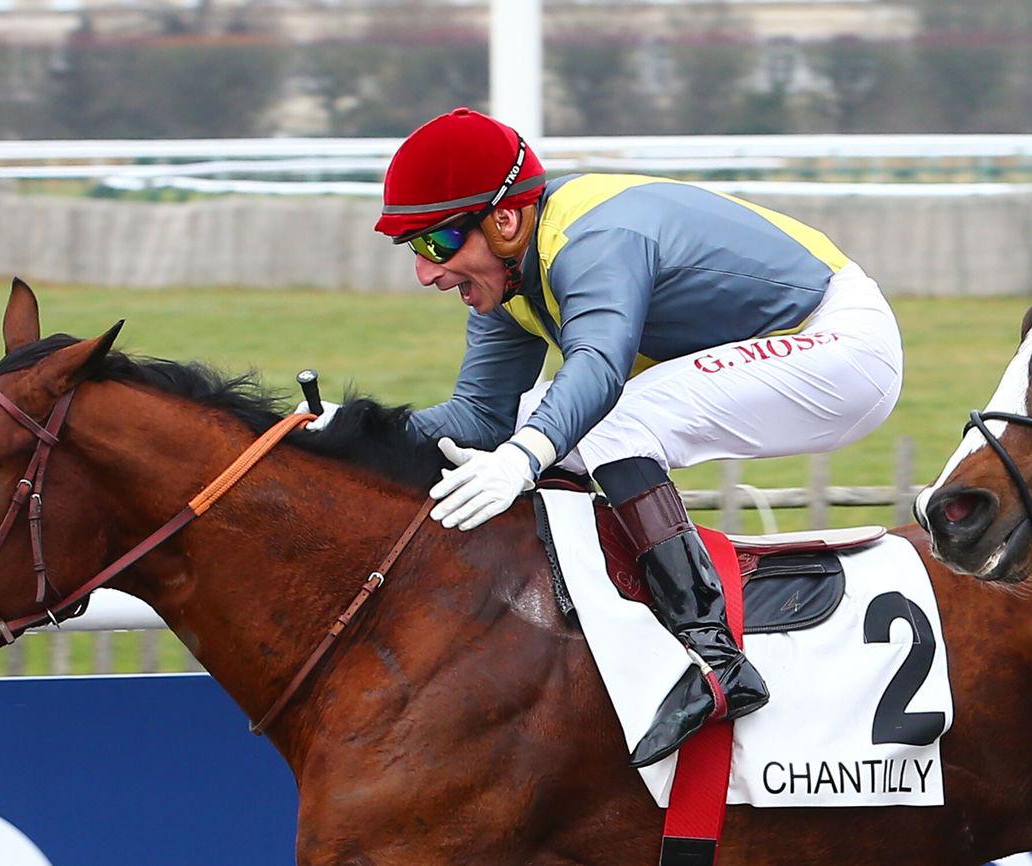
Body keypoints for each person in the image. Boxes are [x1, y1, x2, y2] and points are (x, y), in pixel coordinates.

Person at [304, 107, 903, 768]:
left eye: (439, 244)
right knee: (538, 417)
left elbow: (599, 366)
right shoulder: (510, 279)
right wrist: (352, 434)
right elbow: (479, 420)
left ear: (504, 219)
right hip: (784, 347)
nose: (426, 273)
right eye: (414, 250)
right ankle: (579, 622)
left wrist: (525, 457)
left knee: (598, 419)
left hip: (839, 345)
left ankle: (715, 660)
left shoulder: (591, 237)